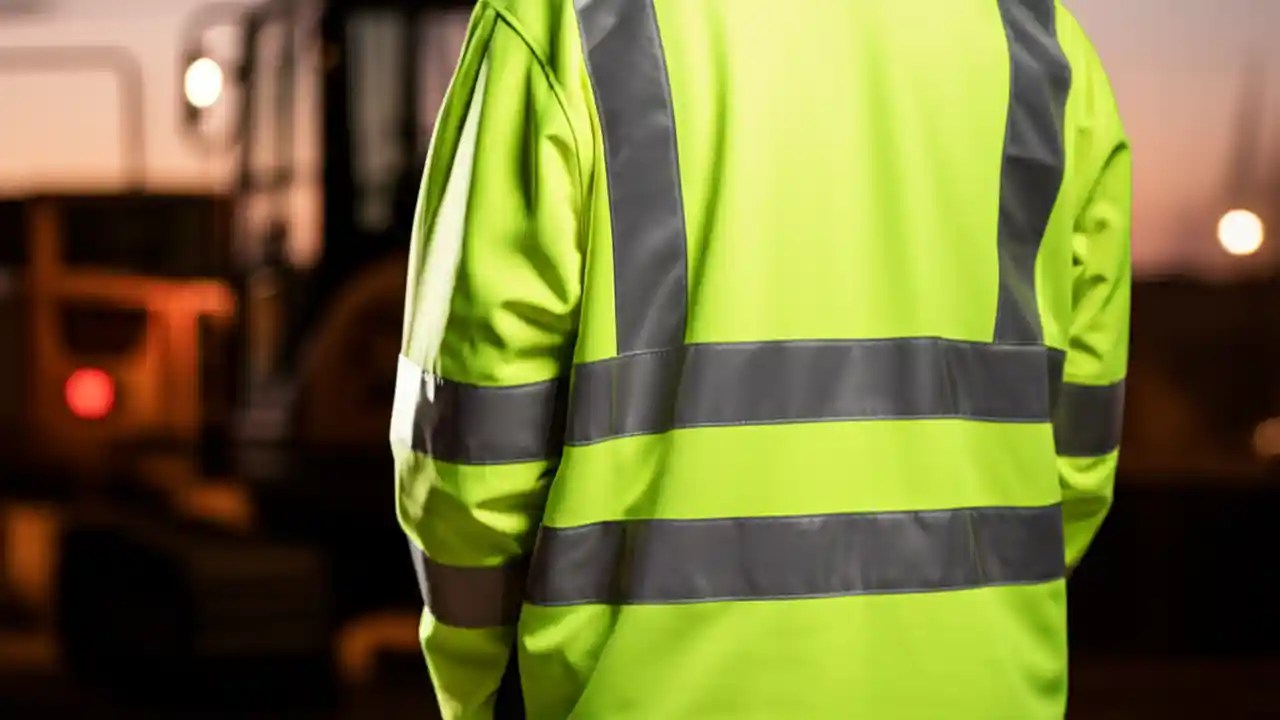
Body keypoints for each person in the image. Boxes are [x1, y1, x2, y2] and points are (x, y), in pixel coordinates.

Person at [391, 0, 1130, 717]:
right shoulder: (1042, 41)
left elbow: (473, 460)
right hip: (982, 689)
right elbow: (1078, 458)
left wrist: (482, 686)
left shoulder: (564, 20)